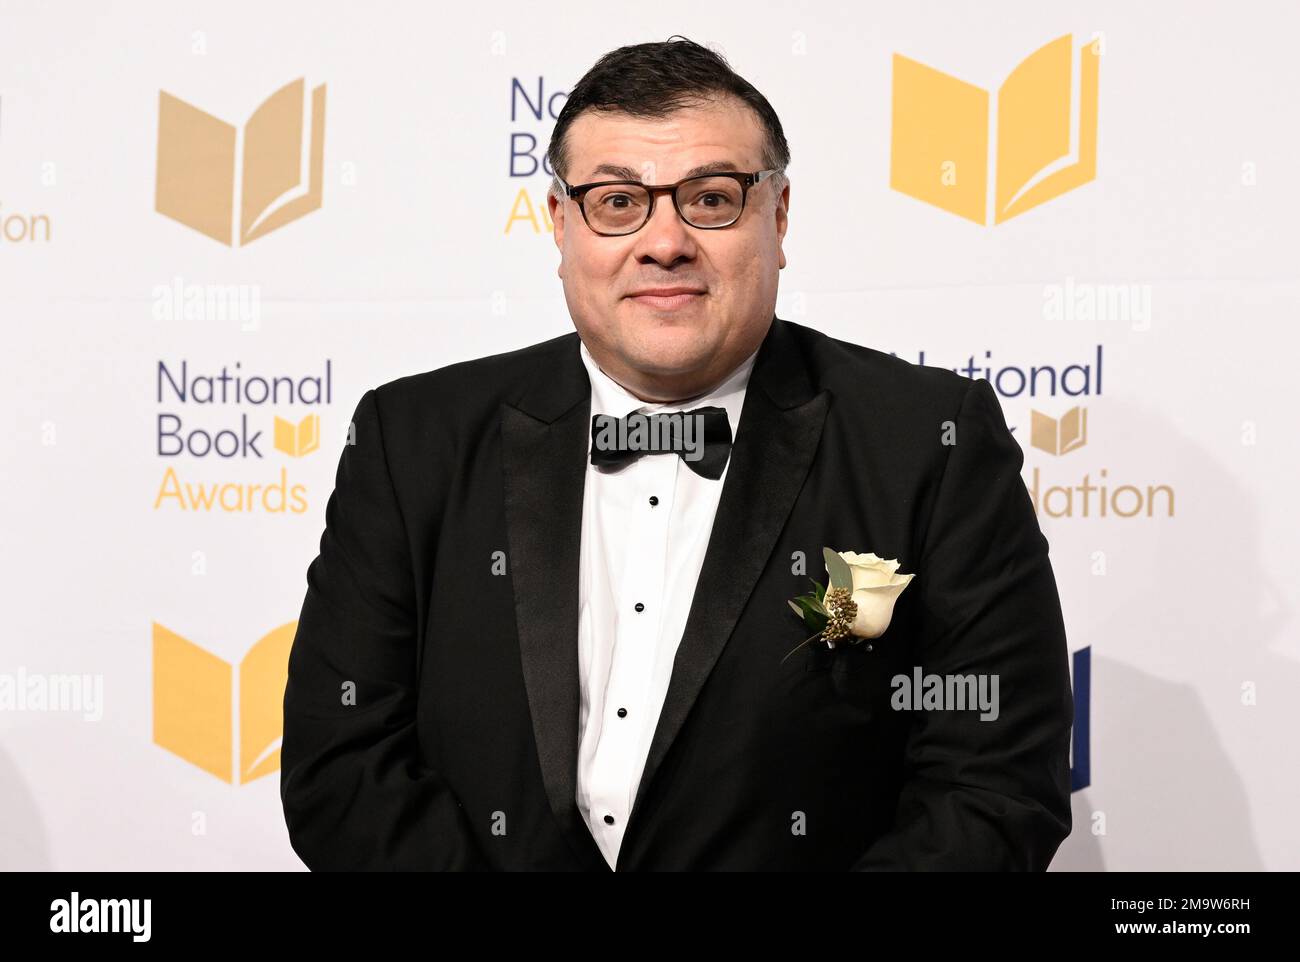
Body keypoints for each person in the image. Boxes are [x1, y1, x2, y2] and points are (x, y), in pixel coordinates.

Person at [280, 36, 1073, 871]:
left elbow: (996, 790)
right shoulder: (412, 441)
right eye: (618, 202)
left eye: (711, 198)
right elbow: (343, 770)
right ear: (560, 225)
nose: (664, 242)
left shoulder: (928, 442)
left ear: (779, 217)